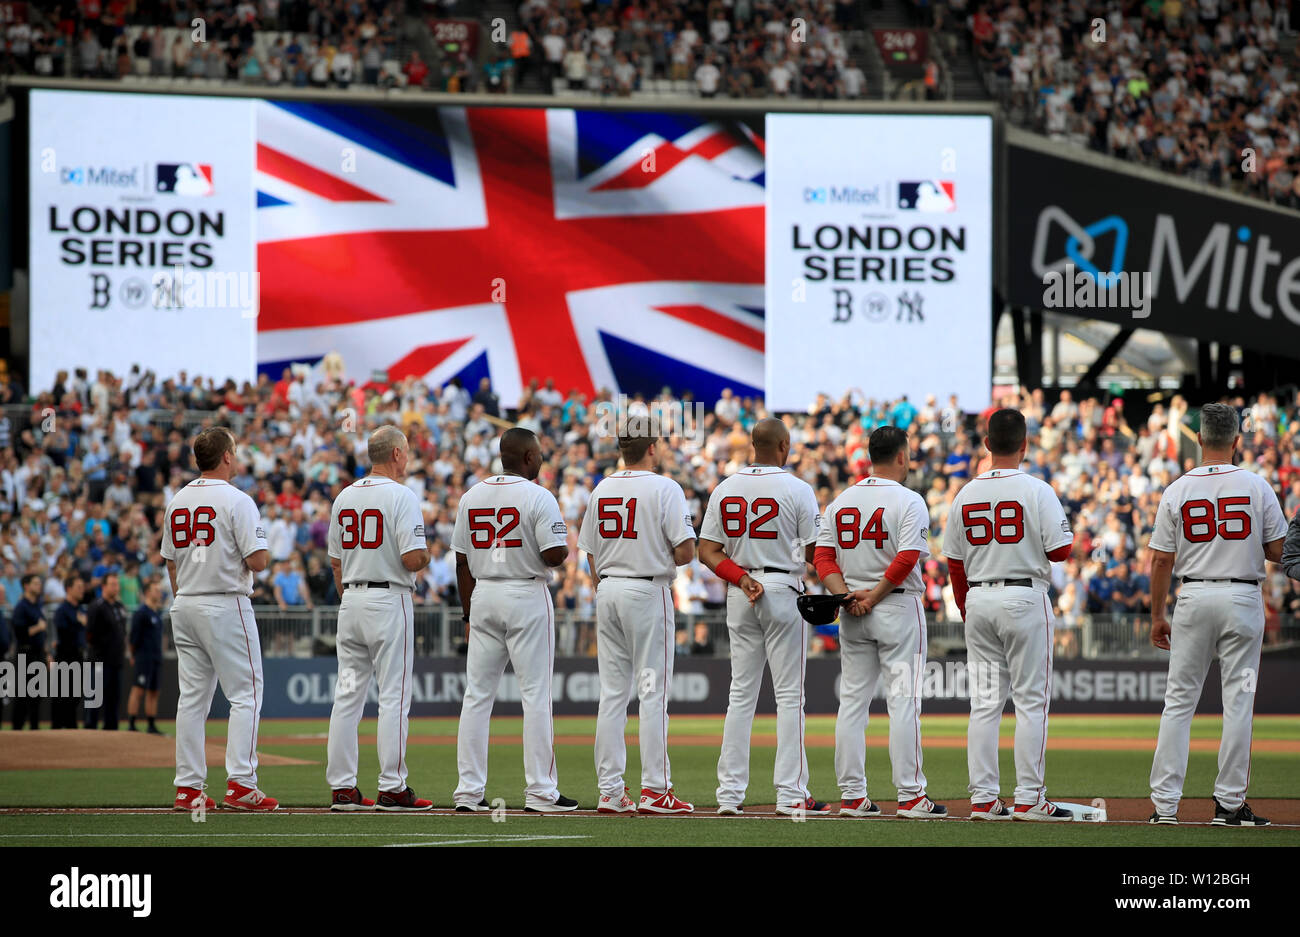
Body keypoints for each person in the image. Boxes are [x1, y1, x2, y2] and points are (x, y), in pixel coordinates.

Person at [1147, 403, 1287, 826]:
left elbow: (1160, 561)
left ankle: (1165, 807)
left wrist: (1157, 614)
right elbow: (1278, 551)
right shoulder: (1257, 486)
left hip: (1192, 598)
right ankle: (1228, 805)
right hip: (1242, 598)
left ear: (1201, 439)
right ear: (1237, 441)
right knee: (1239, 704)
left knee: (1178, 703)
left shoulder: (1177, 489)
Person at [942, 408, 1075, 820]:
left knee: (983, 704)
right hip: (1023, 598)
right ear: (1025, 444)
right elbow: (1061, 551)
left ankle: (982, 798)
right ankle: (1030, 797)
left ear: (986, 444)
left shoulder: (965, 493)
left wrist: (966, 607)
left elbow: (954, 562)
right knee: (1031, 703)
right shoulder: (1037, 489)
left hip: (979, 599)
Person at [815, 426, 946, 819]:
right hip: (895, 606)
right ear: (902, 457)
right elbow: (906, 559)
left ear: (871, 456)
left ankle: (852, 797)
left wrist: (848, 596)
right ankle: (910, 796)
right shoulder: (909, 500)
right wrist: (872, 596)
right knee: (903, 703)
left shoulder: (841, 501)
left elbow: (822, 559)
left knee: (852, 705)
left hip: (853, 610)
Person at [699, 418, 827, 816]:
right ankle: (790, 794)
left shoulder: (726, 487)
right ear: (785, 445)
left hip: (741, 592)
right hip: (783, 589)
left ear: (753, 444)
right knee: (790, 696)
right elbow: (814, 553)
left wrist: (741, 578)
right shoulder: (797, 489)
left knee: (741, 694)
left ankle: (729, 796)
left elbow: (707, 550)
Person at [452, 427, 576, 812]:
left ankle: (468, 793)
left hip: (484, 592)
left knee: (476, 696)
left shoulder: (472, 495)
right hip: (525, 592)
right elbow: (556, 554)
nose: (541, 459)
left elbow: (460, 560)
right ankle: (540, 791)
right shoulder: (538, 495)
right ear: (526, 458)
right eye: (537, 454)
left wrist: (468, 611)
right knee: (535, 694)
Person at [579, 433, 697, 815]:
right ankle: (656, 790)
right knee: (652, 693)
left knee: (613, 695)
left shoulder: (602, 488)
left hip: (608, 589)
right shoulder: (666, 487)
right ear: (651, 448)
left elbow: (591, 553)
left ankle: (610, 793)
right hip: (647, 590)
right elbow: (685, 551)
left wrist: (605, 583)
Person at [162, 427, 277, 812]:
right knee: (246, 694)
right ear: (227, 456)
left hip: (186, 602)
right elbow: (258, 560)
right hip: (225, 603)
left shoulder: (177, 500)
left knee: (192, 699)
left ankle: (188, 788)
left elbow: (170, 562)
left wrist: (187, 596)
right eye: (235, 451)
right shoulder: (237, 499)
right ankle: (241, 784)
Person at [326, 426, 433, 812]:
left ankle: (342, 788)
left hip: (351, 600)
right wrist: (428, 555)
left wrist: (350, 598)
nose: (407, 457)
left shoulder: (343, 497)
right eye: (406, 451)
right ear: (397, 454)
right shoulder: (401, 495)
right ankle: (391, 786)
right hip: (389, 601)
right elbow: (412, 558)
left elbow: (336, 562)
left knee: (347, 697)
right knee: (394, 696)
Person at [85, 573, 128, 731]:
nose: (116, 587)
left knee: (114, 698)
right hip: (99, 659)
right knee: (95, 698)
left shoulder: (119, 607)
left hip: (116, 660)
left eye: (117, 584)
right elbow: (89, 633)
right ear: (103, 586)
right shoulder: (97, 606)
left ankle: (112, 731)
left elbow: (123, 632)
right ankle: (91, 729)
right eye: (112, 584)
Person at [11, 574, 49, 730]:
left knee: (37, 695)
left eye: (39, 583)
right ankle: (17, 730)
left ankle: (35, 730)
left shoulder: (38, 605)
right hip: (25, 654)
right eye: (35, 583)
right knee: (22, 695)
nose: (39, 586)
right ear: (26, 586)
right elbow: (19, 633)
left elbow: (43, 634)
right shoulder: (21, 607)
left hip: (38, 654)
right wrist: (38, 628)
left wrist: (46, 653)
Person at [127, 580, 165, 735]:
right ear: (148, 592)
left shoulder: (157, 613)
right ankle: (131, 724)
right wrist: (133, 654)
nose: (159, 593)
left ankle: (151, 724)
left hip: (156, 657)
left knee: (154, 691)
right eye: (156, 590)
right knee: (138, 689)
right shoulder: (141, 613)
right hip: (143, 656)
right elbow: (133, 637)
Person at [51, 575, 88, 729]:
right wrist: (79, 623)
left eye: (82, 587)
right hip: (65, 656)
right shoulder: (62, 610)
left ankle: (71, 727)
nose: (82, 590)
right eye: (78, 587)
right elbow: (63, 633)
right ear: (68, 589)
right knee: (62, 694)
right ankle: (58, 728)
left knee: (74, 696)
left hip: (78, 655)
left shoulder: (80, 609)